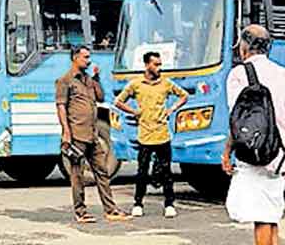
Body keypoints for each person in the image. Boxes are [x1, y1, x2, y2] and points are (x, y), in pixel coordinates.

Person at [222, 25, 285, 245]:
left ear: (245, 46)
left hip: (253, 154)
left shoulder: (238, 75)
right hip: (278, 153)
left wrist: (227, 151)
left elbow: (238, 121)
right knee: (270, 209)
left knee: (261, 216)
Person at [55, 45, 130, 224]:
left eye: (89, 58)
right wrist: (66, 131)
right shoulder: (65, 81)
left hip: (93, 134)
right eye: (85, 57)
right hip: (77, 135)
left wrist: (96, 78)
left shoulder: (88, 79)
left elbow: (101, 97)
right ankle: (80, 212)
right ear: (75, 57)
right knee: (77, 175)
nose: (88, 61)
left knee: (102, 172)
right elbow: (61, 107)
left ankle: (110, 209)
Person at [115, 51, 189, 219]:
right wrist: (134, 111)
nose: (159, 68)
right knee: (142, 171)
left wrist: (172, 109)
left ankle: (169, 204)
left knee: (166, 172)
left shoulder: (165, 83)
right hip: (145, 136)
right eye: (156, 64)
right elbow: (118, 101)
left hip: (163, 135)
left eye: (160, 64)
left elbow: (184, 95)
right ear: (147, 65)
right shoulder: (136, 84)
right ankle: (138, 203)